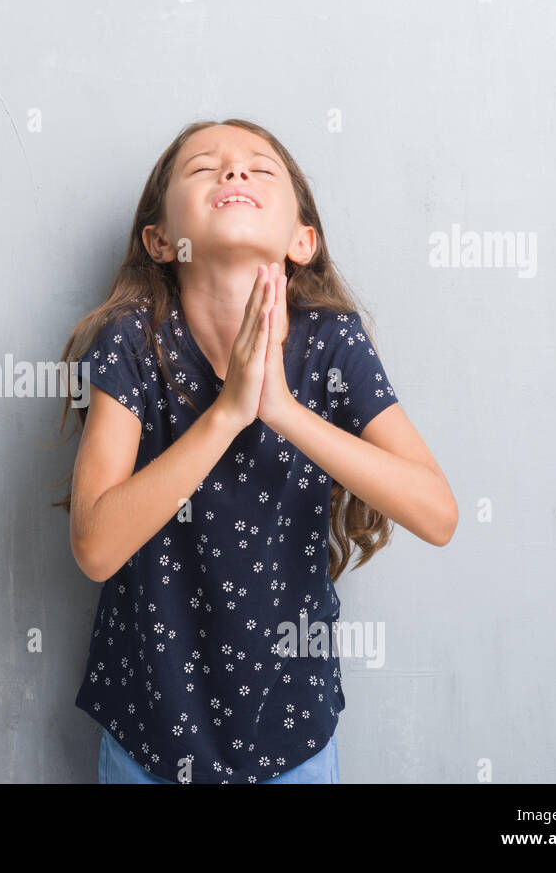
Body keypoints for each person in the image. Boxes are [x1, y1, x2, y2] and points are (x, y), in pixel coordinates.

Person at [54, 119, 458, 784]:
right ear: (160, 240)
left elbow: (437, 514)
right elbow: (95, 546)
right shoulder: (129, 341)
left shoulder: (332, 341)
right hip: (149, 735)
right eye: (204, 166)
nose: (235, 172)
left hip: (291, 735)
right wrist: (228, 414)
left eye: (260, 168)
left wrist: (283, 411)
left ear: (303, 240)